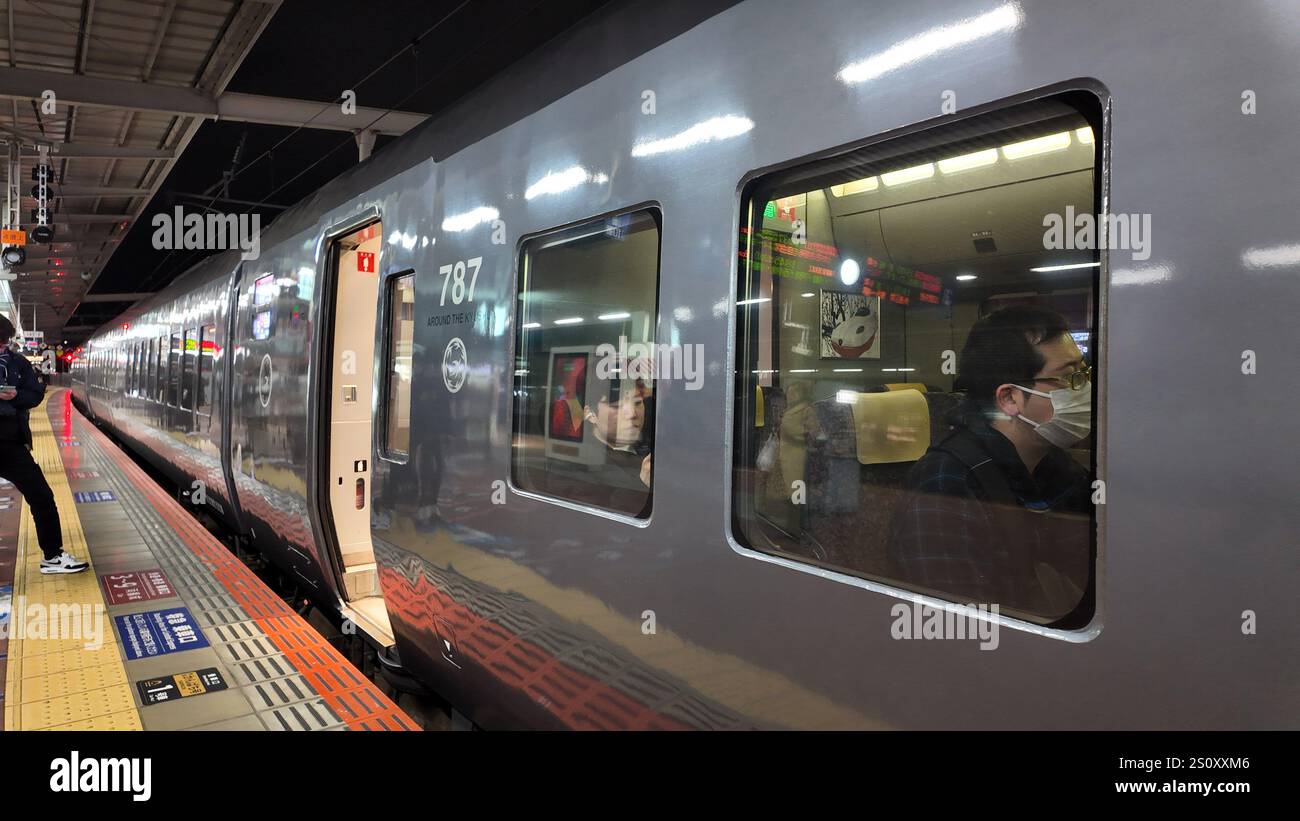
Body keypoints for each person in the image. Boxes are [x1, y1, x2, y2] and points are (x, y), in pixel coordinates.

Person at [886, 305, 1092, 619]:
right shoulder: (945, 486)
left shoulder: (1059, 468)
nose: (1085, 390)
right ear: (1009, 398)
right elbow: (962, 636)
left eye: (1084, 373)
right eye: (1069, 379)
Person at [0, 316, 88, 574]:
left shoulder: (18, 363)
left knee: (41, 496)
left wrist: (16, 396)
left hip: (10, 443)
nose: (3, 348)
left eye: (4, 343)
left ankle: (52, 556)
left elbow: (36, 394)